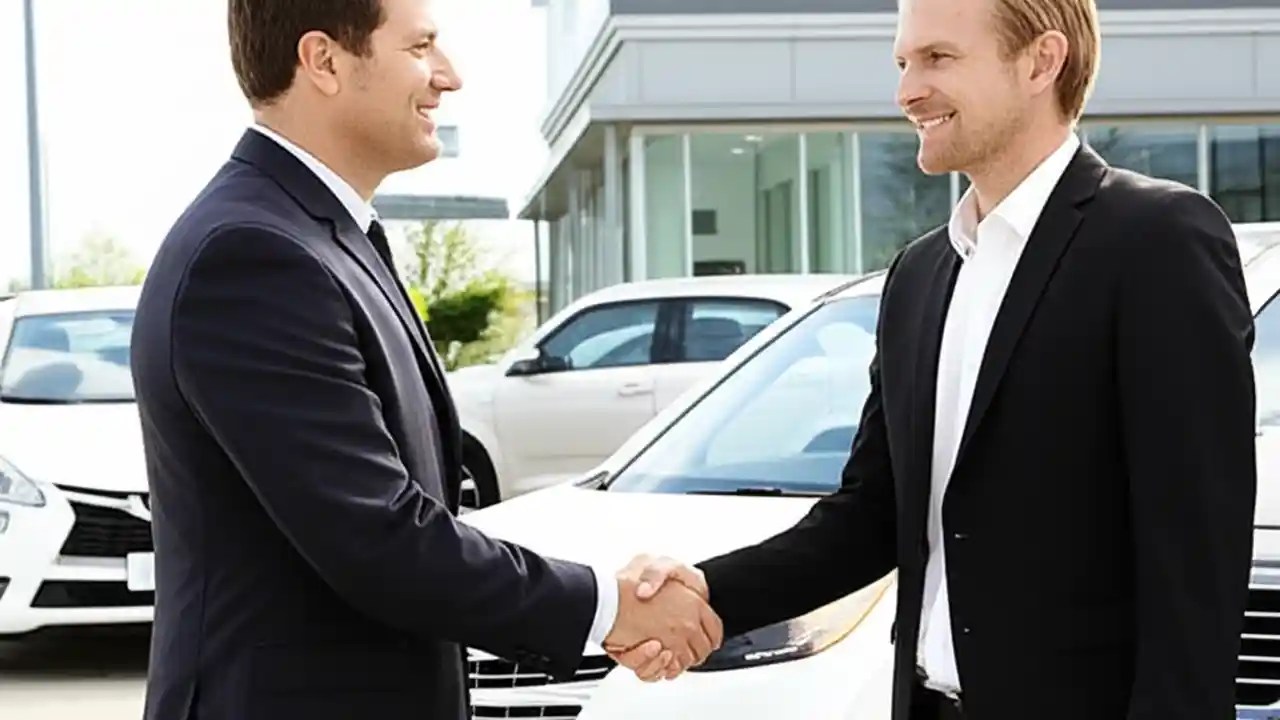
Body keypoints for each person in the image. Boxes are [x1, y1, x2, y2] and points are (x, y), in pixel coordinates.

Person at [611, 0, 1259, 716]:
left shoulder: (1157, 240)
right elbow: (871, 516)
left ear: (1042, 61)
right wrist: (706, 591)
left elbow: (1195, 555)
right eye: (903, 62)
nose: (906, 90)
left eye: (938, 58)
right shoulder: (919, 275)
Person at [130, 1, 720, 718]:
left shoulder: (318, 236)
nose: (450, 76)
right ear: (323, 61)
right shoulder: (253, 256)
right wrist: (609, 606)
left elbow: (413, 516)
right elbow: (377, 539)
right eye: (421, 47)